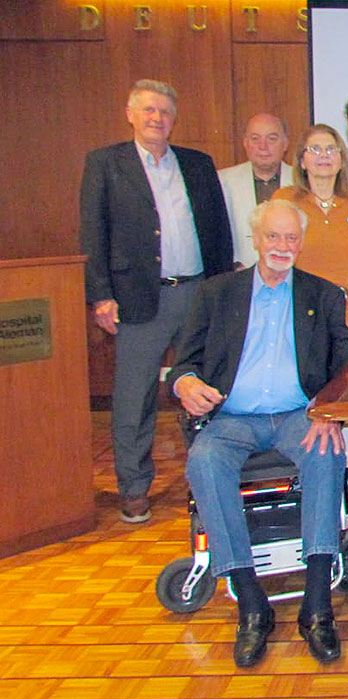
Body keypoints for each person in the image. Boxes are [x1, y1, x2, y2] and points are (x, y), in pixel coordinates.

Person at [169, 199, 348, 668]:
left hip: (299, 413)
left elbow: (346, 367)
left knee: (327, 453)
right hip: (232, 417)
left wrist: (330, 411)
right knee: (204, 462)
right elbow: (185, 362)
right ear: (256, 239)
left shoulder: (322, 295)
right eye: (273, 237)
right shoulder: (218, 294)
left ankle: (317, 603)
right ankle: (251, 602)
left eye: (292, 238)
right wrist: (185, 382)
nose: (282, 247)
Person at [80, 79, 232, 523]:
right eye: (148, 110)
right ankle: (133, 487)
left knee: (205, 390)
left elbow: (218, 232)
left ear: (173, 117)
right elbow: (92, 233)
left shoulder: (198, 165)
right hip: (138, 299)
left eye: (164, 111)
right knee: (134, 397)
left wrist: (221, 294)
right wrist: (101, 295)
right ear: (130, 113)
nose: (156, 119)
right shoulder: (106, 164)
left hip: (198, 293)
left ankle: (207, 478)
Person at [273, 124, 348, 345]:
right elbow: (273, 259)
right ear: (302, 161)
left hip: (346, 314)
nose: (324, 155)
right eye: (315, 149)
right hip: (295, 311)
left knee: (346, 379)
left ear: (341, 160)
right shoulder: (284, 201)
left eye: (331, 149)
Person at [218, 113, 293, 268]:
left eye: (271, 139)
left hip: (292, 279)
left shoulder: (302, 184)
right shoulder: (222, 181)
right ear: (245, 143)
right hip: (238, 279)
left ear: (285, 144)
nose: (262, 146)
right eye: (255, 138)